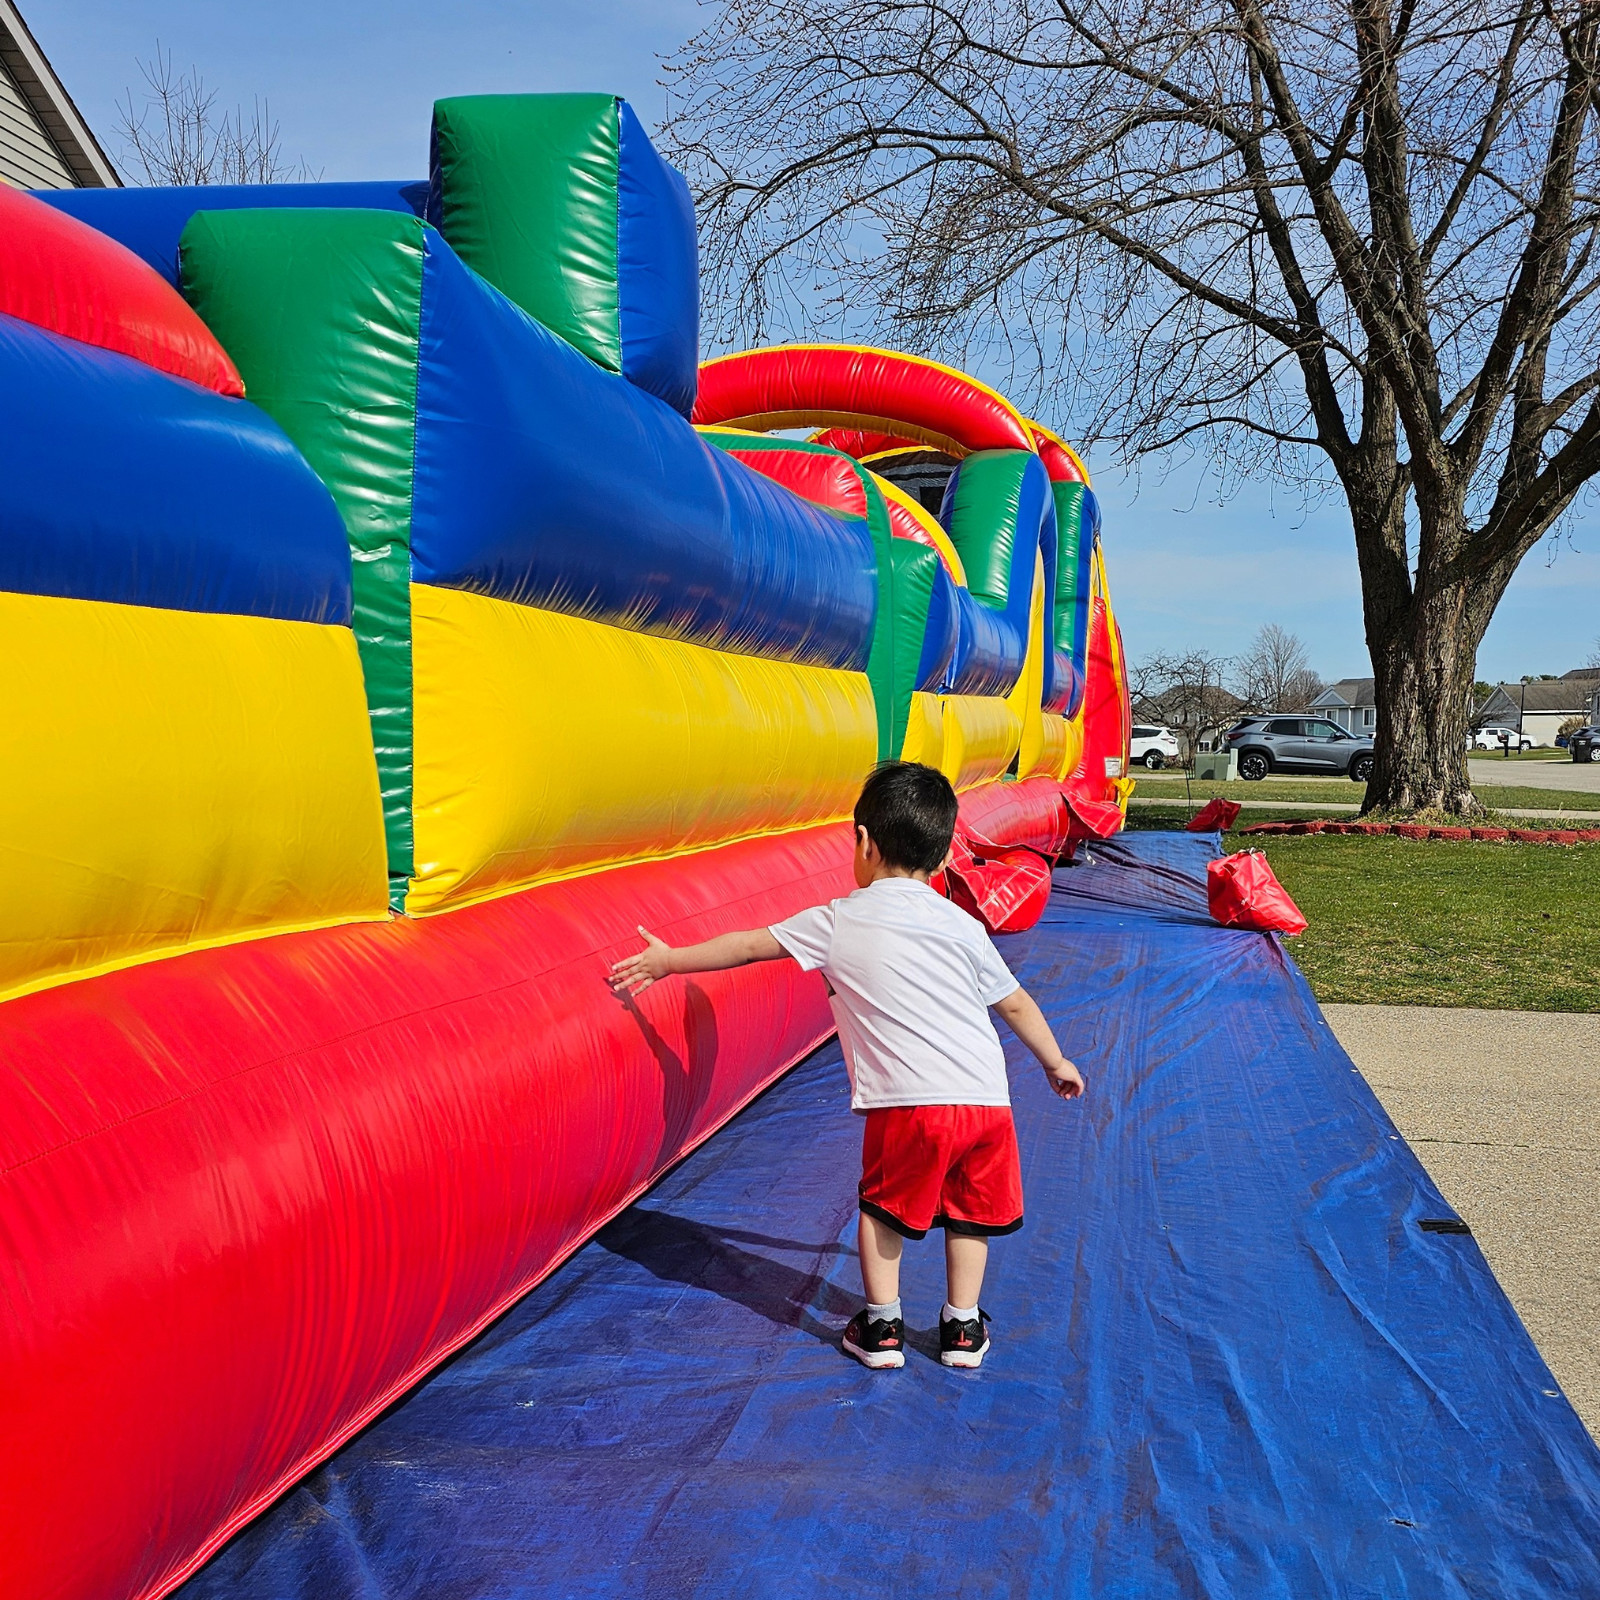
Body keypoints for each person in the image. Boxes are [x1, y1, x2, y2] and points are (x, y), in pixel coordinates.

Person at [609, 760, 1085, 1372]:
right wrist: (1055, 1061)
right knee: (972, 1214)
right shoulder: (964, 925)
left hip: (909, 1102)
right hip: (988, 1102)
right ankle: (962, 1329)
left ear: (863, 841)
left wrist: (671, 960)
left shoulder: (838, 919)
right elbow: (1014, 1001)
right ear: (942, 860)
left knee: (883, 1210)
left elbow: (751, 945)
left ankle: (883, 1326)